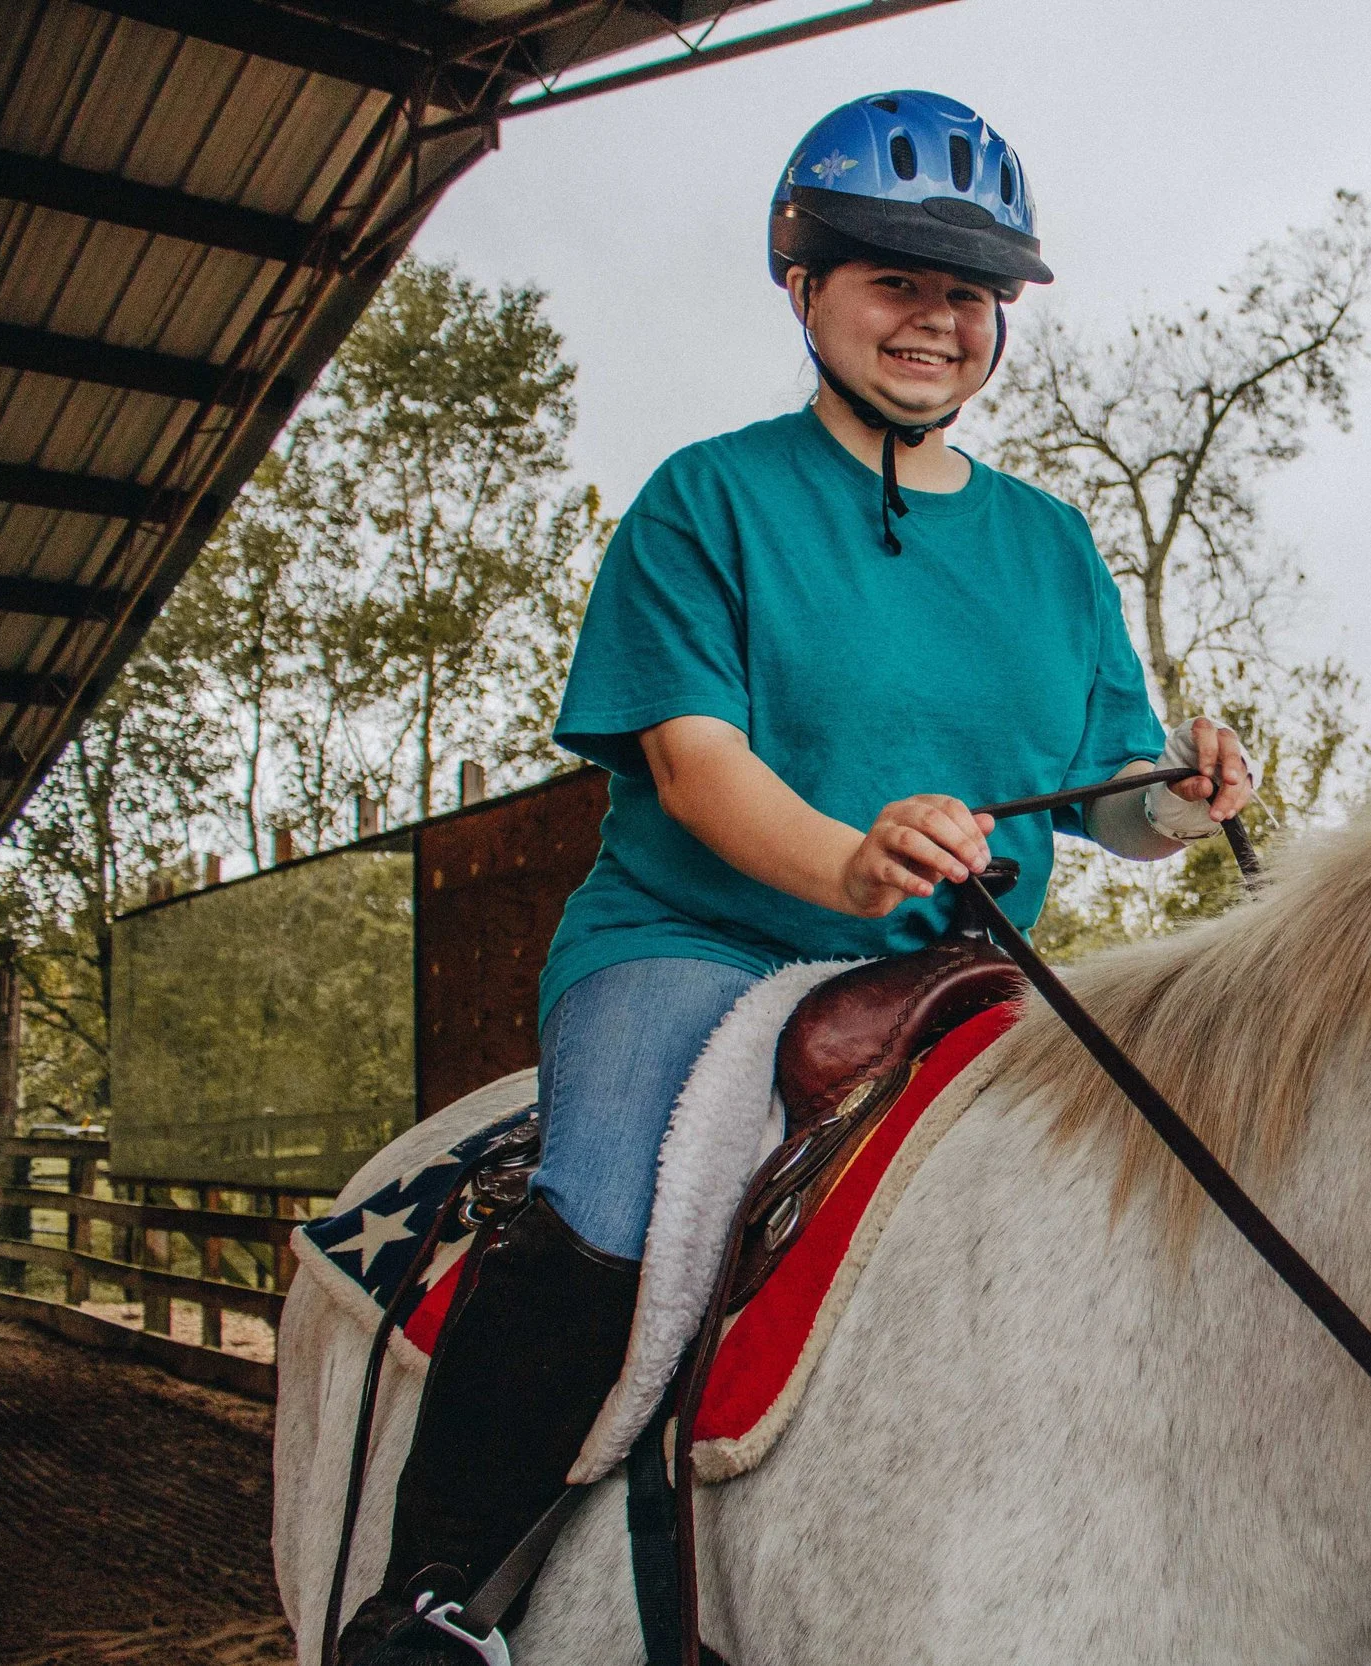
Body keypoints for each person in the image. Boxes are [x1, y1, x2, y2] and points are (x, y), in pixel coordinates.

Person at [343, 89, 1254, 1664]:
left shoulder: (1051, 545)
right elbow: (694, 765)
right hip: (698, 945)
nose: (938, 320)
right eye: (896, 277)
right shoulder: (708, 500)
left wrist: (1177, 796)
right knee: (610, 1204)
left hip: (958, 975)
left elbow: (1111, 797)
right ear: (802, 279)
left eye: (968, 291)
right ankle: (433, 1597)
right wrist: (844, 857)